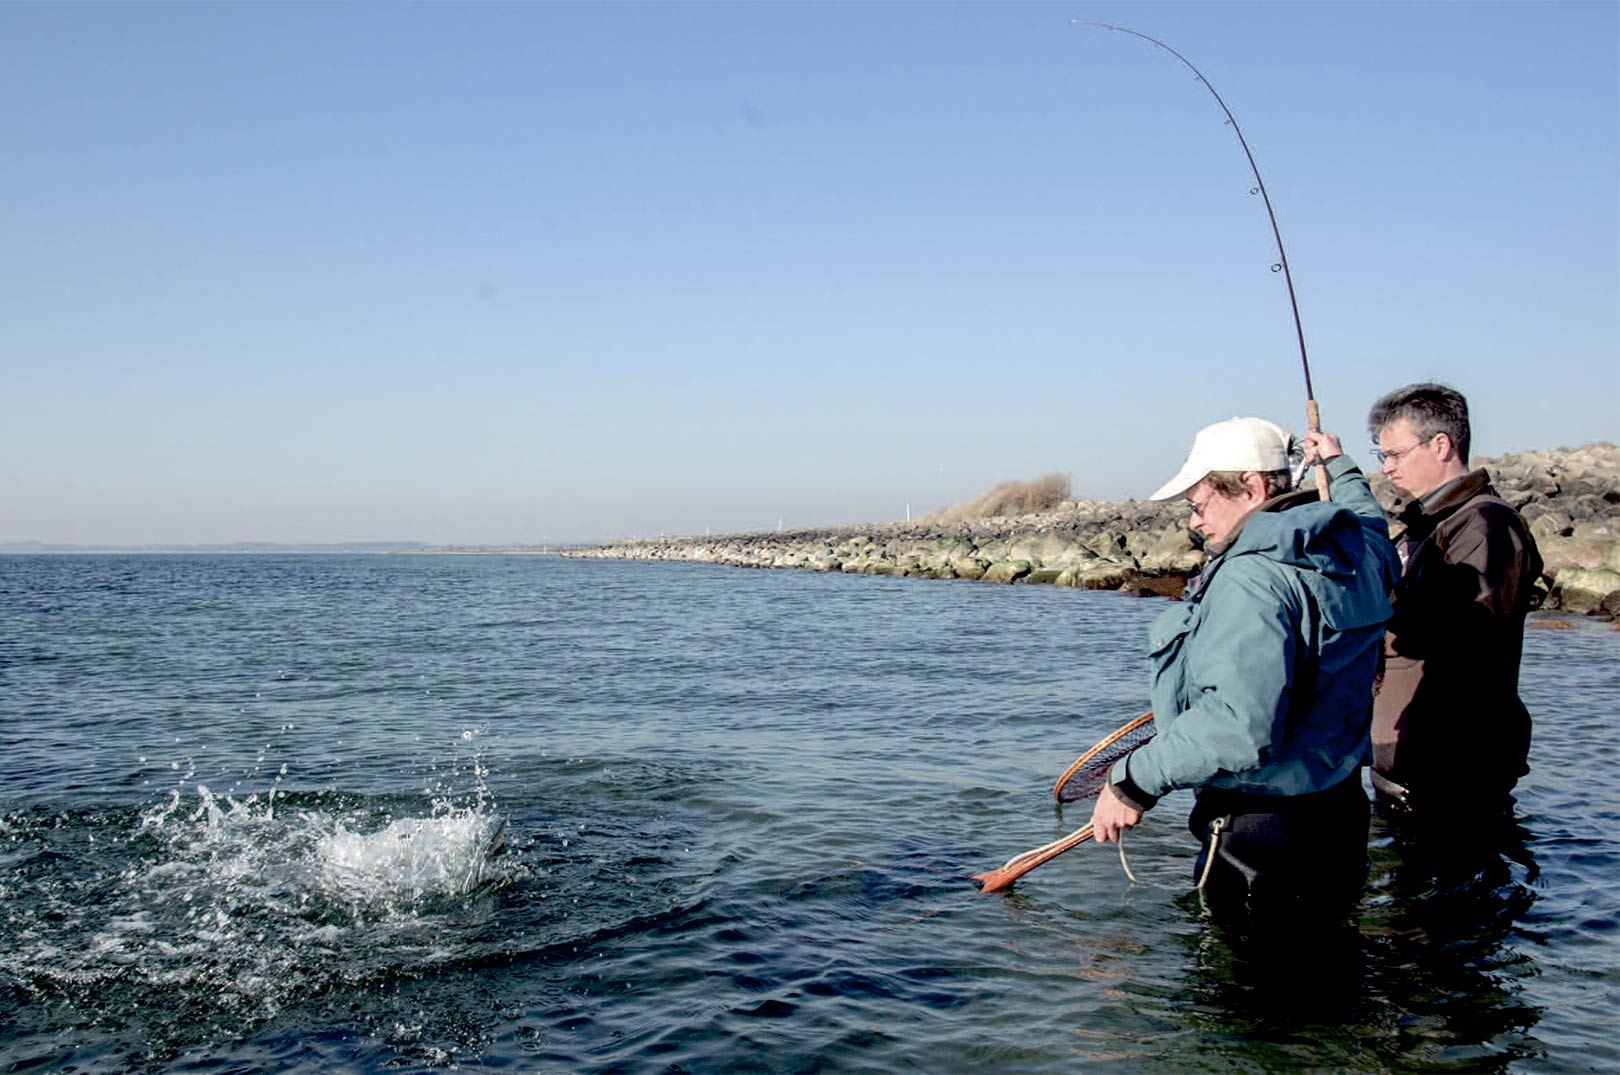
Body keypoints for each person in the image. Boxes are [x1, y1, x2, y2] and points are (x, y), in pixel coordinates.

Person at [1090, 416, 1400, 928]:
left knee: (1249, 994)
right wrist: (1338, 464)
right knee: (1332, 975)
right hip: (1340, 816)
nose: (1194, 521)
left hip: (1264, 836)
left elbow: (1238, 728)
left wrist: (1130, 781)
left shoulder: (1249, 579)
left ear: (1252, 488)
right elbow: (1370, 521)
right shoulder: (1356, 549)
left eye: (1199, 504)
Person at [1358, 382, 1543, 819]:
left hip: (1453, 758)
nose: (1387, 468)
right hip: (1412, 754)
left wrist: (1371, 591)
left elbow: (1465, 630)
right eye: (1381, 456)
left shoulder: (1485, 524)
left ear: (1440, 444)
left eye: (1395, 455)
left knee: (1460, 877)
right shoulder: (1430, 525)